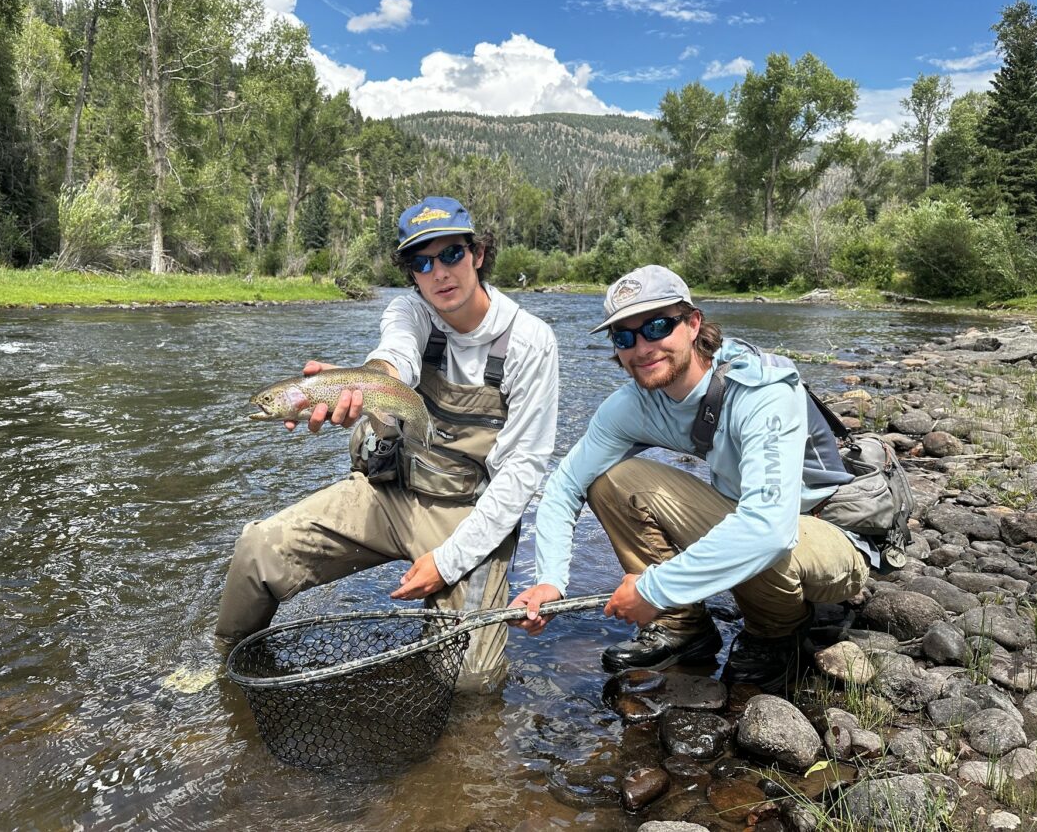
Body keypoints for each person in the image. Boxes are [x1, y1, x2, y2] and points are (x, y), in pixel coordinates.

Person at [217, 196, 559, 692]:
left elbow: (523, 473)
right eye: (422, 262)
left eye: (451, 255)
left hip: (471, 512)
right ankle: (225, 670)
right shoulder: (411, 312)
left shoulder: (530, 341)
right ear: (411, 273)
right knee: (257, 551)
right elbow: (394, 356)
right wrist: (359, 386)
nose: (438, 273)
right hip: (391, 493)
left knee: (473, 682)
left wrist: (447, 562)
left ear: (478, 254)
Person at [509, 265, 870, 694]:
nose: (642, 347)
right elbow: (564, 485)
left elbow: (769, 529)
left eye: (657, 326)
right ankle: (683, 627)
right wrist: (551, 580)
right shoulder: (632, 406)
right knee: (613, 480)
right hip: (753, 518)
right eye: (624, 336)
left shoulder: (763, 389)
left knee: (758, 535)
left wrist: (655, 588)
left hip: (829, 535)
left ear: (693, 323)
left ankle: (776, 634)